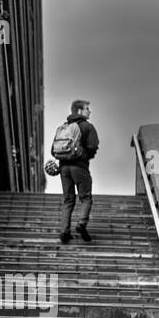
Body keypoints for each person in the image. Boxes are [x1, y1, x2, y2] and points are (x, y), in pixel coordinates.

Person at [55, 99, 99, 244]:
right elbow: (93, 146)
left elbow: (55, 148)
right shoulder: (87, 126)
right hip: (79, 167)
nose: (89, 111)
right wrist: (84, 155)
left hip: (64, 167)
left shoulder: (64, 127)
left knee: (68, 200)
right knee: (86, 197)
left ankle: (64, 232)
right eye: (87, 108)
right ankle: (81, 223)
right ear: (80, 111)